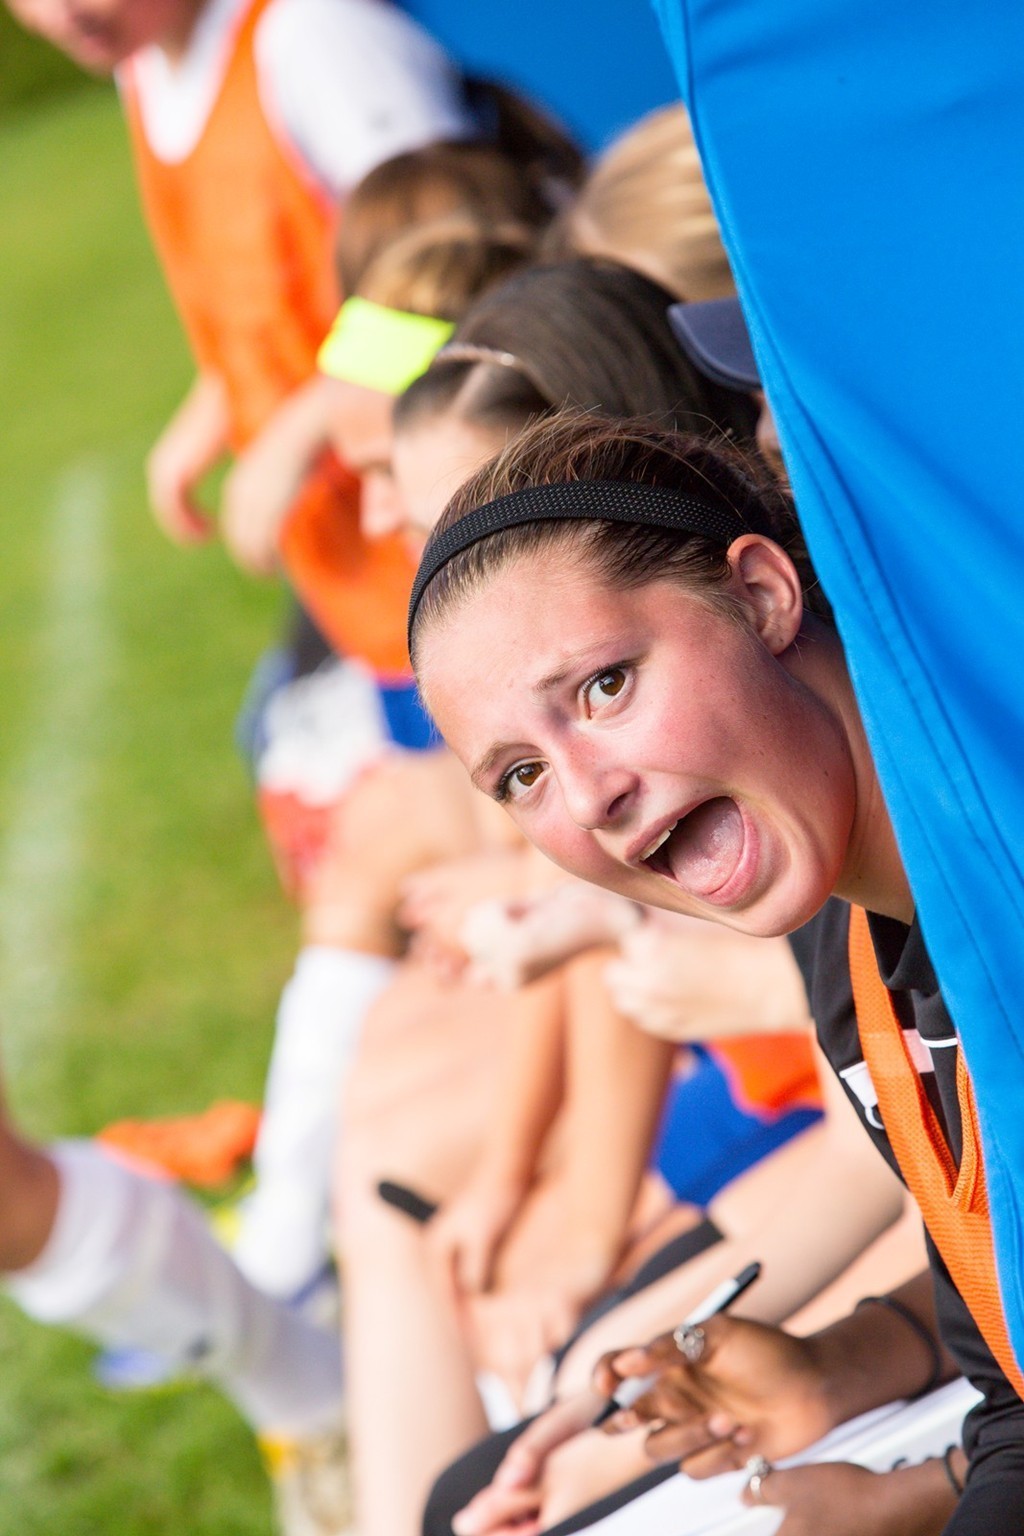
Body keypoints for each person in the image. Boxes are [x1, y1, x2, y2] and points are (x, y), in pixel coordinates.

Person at [407, 412, 1024, 1533]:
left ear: (761, 596)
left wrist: (914, 1499)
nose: (588, 794)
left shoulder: (994, 867)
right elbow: (1009, 1368)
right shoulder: (848, 937)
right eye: (520, 775)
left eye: (604, 686)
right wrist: (839, 1366)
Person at [6, 0, 472, 677]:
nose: (59, 15)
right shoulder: (142, 71)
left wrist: (301, 427)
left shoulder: (313, 36)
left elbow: (454, 257)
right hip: (353, 565)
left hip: (447, 522)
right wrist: (214, 408)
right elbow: (263, 292)